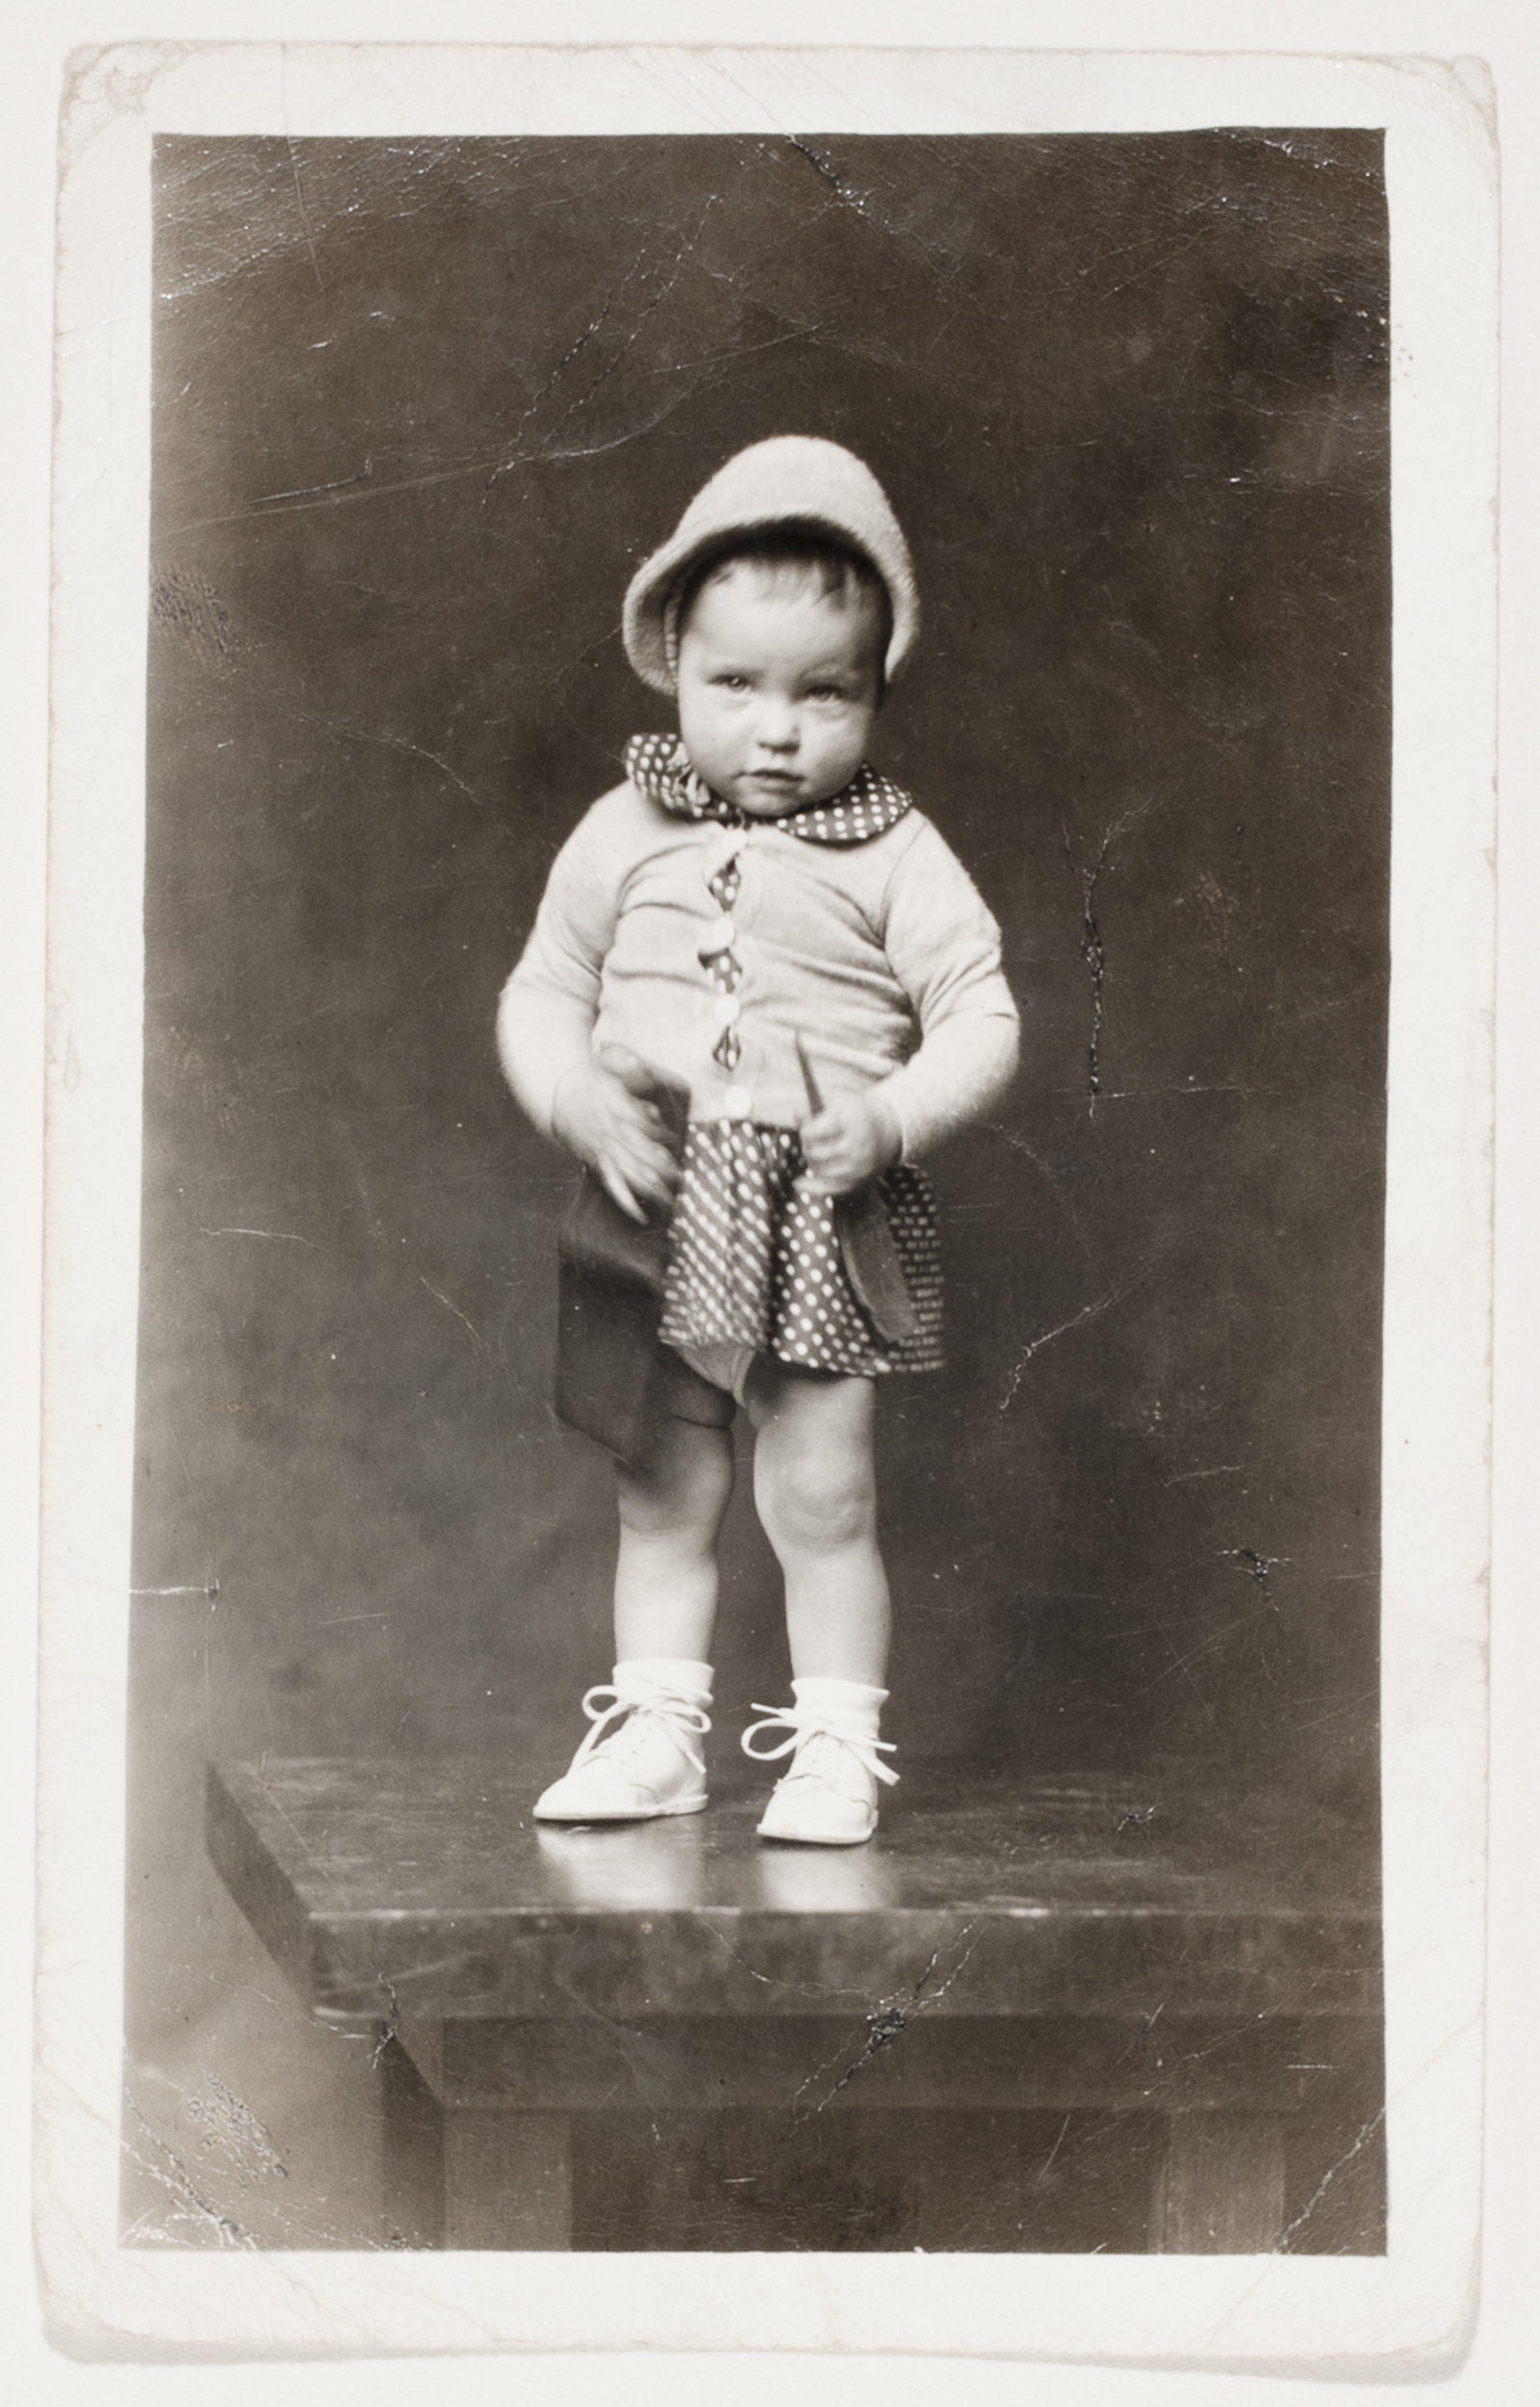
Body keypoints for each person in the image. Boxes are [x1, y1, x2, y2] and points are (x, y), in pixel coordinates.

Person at [498, 435, 1018, 1845]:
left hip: (813, 1208)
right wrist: (575, 1099)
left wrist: (895, 1113)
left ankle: (836, 1748)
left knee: (819, 1488)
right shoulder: (622, 828)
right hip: (656, 1200)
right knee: (659, 1480)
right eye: (737, 685)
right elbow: (543, 990)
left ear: (875, 686)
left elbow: (983, 1013)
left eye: (824, 693)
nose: (778, 729)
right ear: (671, 657)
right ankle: (658, 1734)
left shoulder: (896, 850)